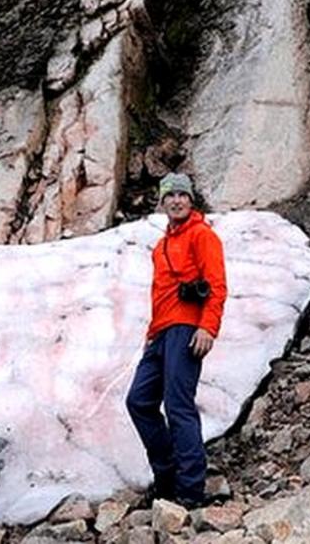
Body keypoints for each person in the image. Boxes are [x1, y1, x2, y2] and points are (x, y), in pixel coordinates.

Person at [125, 172, 227, 508]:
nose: (176, 201)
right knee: (139, 401)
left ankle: (190, 490)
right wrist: (151, 335)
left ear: (190, 199)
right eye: (170, 196)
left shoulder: (203, 236)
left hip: (187, 330)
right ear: (162, 202)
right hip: (160, 333)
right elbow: (160, 294)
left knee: (179, 406)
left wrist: (207, 327)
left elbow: (216, 285)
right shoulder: (161, 246)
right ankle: (166, 476)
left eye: (182, 195)